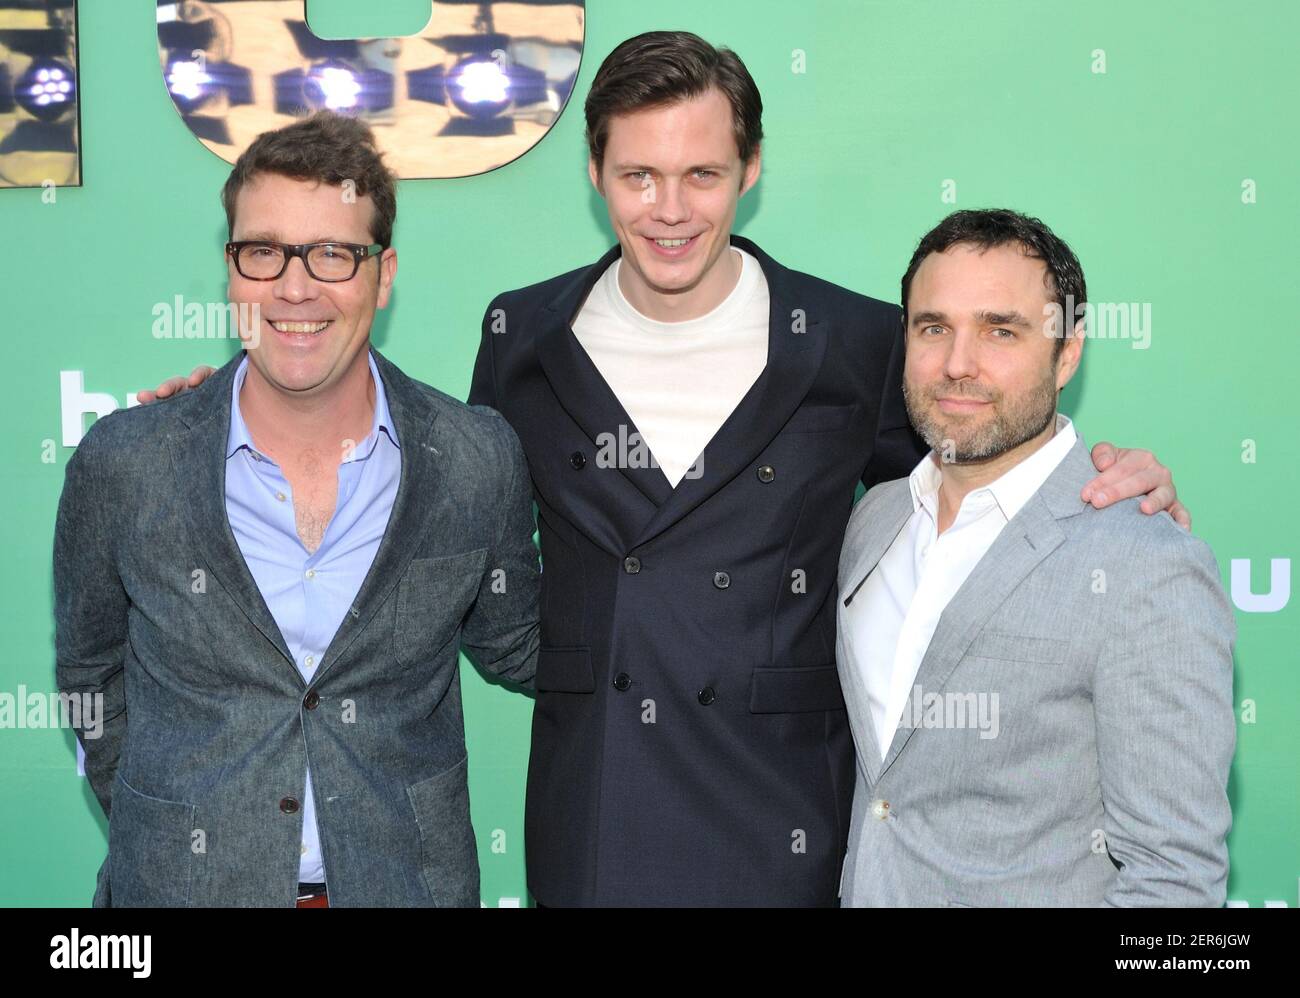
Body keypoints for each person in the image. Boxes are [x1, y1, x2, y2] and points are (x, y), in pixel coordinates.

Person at [139, 33, 1186, 907]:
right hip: (598, 808)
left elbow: (976, 471)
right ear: (594, 174)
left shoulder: (857, 338)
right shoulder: (524, 333)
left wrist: (1103, 479)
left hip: (791, 821)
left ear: (751, 169)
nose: (670, 209)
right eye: (638, 174)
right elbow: (430, 483)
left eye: (702, 174)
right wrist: (240, 403)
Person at [54, 111, 540, 907]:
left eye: (333, 254)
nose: (294, 285)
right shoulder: (127, 462)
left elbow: (519, 644)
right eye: (264, 251)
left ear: (383, 275)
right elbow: (88, 676)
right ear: (230, 270)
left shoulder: (476, 455)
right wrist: (172, 828)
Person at [836, 209, 1235, 906]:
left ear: (1068, 352)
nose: (959, 364)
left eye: (1001, 330)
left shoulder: (1144, 564)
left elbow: (1174, 883)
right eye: (933, 328)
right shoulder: (875, 519)